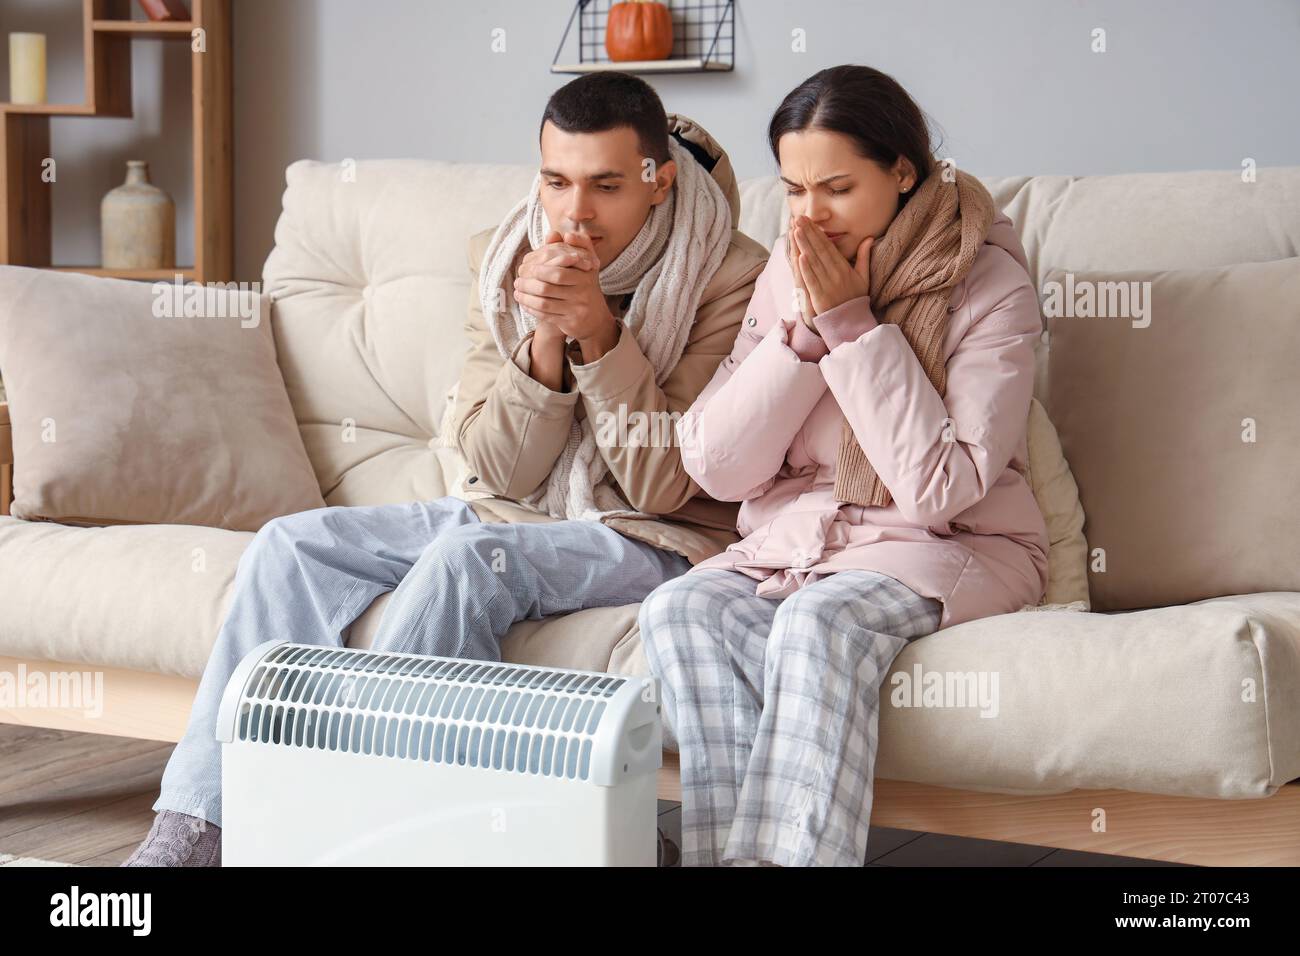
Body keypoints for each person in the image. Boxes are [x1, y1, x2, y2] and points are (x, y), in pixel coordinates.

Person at [123, 71, 767, 866]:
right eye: (557, 181)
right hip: (522, 511)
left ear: (659, 182)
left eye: (606, 185)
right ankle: (195, 831)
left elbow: (665, 486)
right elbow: (498, 468)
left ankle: (371, 827)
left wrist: (600, 336)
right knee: (292, 545)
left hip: (653, 535)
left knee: (467, 562)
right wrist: (541, 344)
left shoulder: (734, 276)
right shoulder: (505, 261)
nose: (575, 213)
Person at [637, 64, 1050, 867]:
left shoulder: (990, 284)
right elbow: (719, 471)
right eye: (793, 191)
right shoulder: (785, 275)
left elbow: (941, 490)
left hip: (948, 544)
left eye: (835, 187)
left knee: (818, 623)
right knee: (678, 610)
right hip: (801, 540)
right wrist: (798, 341)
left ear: (902, 171)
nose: (810, 216)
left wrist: (853, 327)